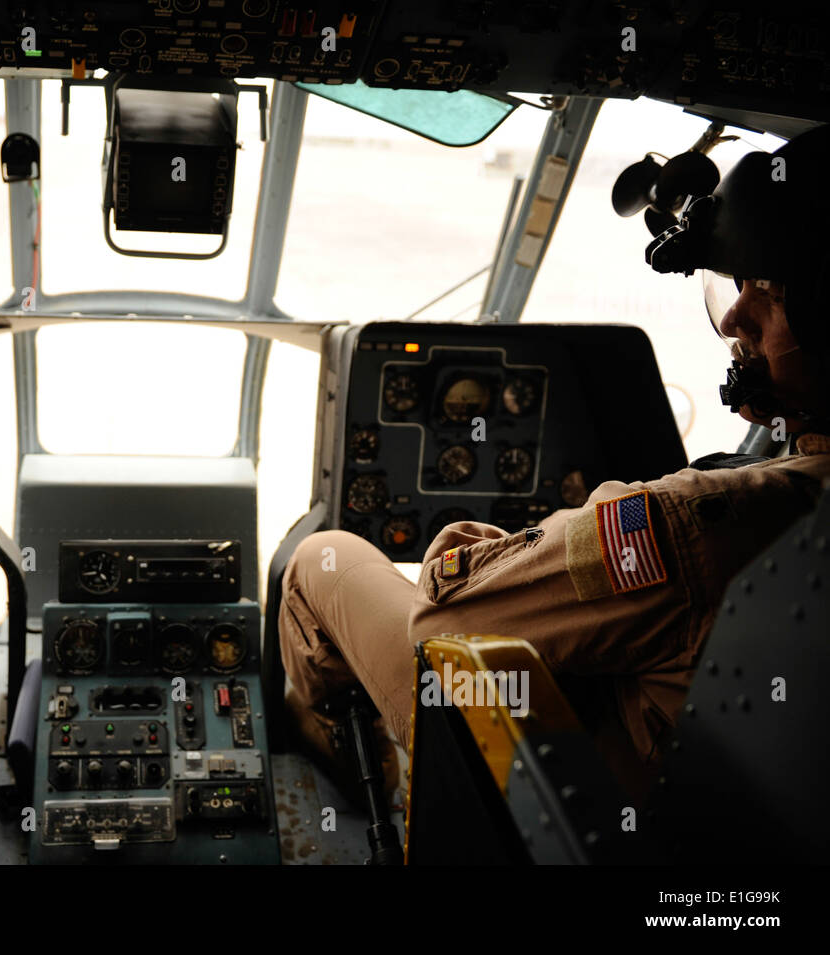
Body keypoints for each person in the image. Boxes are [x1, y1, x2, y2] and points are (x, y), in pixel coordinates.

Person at [279, 124, 830, 801]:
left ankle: (351, 788)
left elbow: (444, 631)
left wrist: (471, 556)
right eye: (738, 285)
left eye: (767, 291)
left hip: (582, 809)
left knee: (322, 558)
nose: (737, 316)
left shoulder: (697, 523)